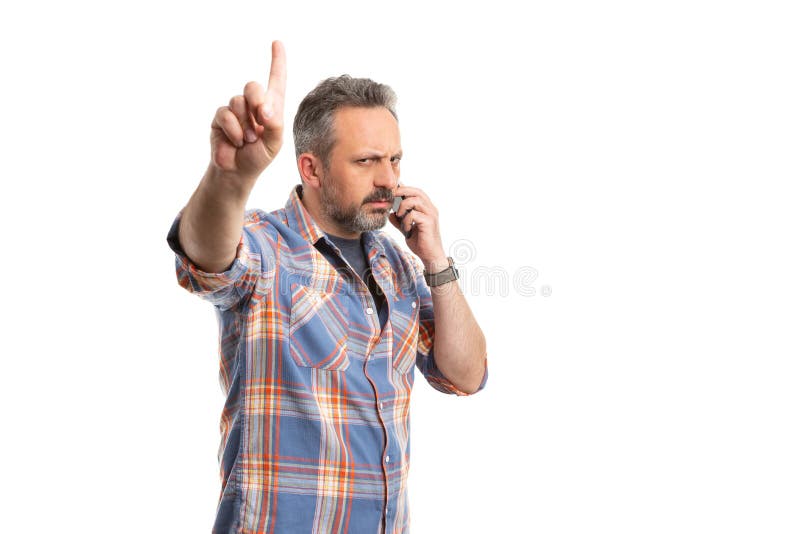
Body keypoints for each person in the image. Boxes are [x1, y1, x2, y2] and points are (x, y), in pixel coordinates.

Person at [167, 40, 488, 533]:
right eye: (366, 161)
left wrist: (436, 261)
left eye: (395, 159)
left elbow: (465, 375)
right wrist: (230, 180)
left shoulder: (399, 266)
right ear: (311, 168)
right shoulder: (266, 247)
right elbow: (206, 259)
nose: (388, 180)